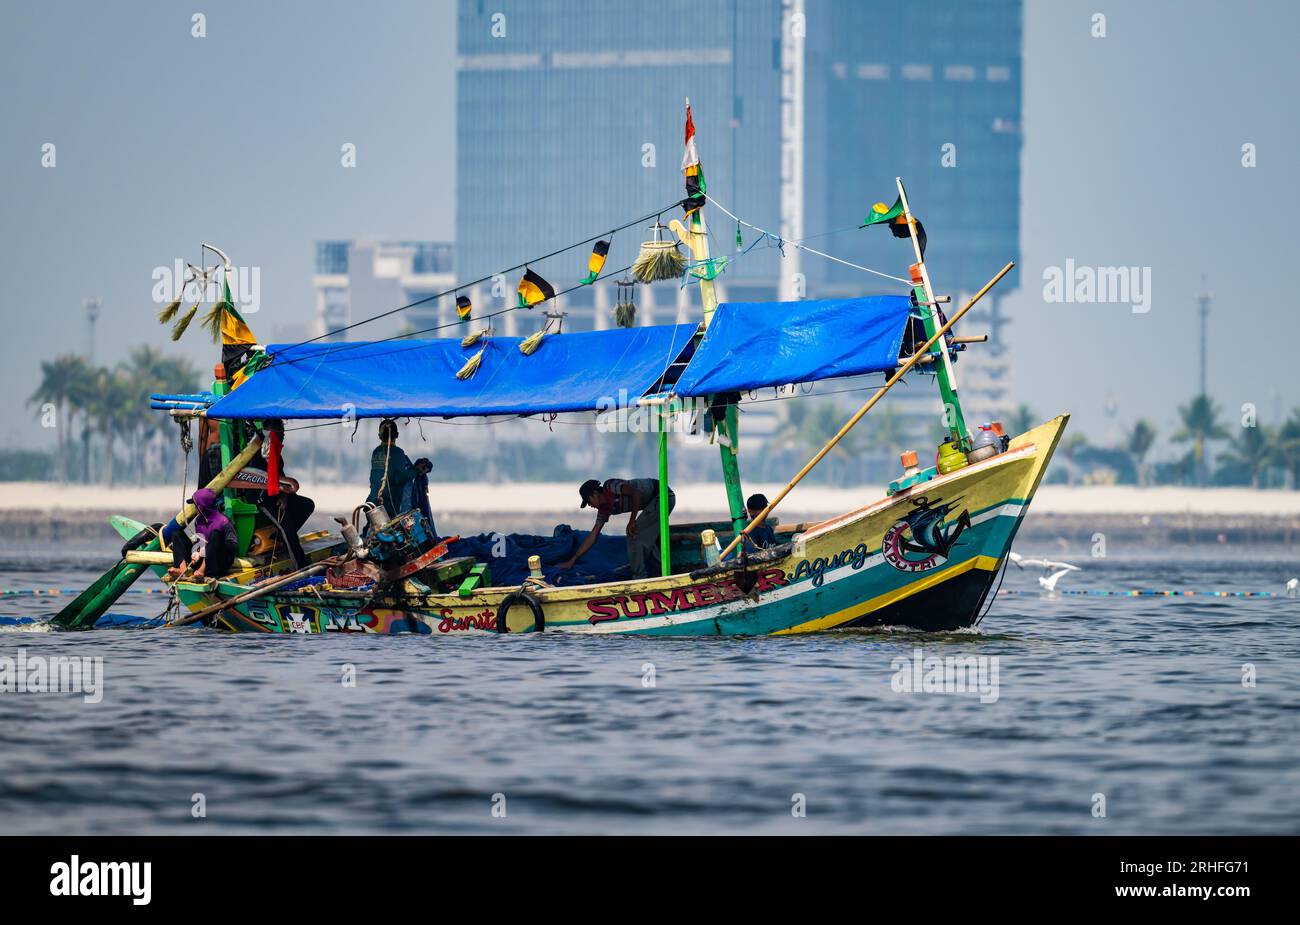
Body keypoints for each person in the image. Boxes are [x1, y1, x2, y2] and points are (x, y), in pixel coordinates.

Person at [561, 477, 675, 580]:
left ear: (595, 494)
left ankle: (640, 578)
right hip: (655, 501)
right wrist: (572, 561)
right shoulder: (604, 509)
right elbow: (593, 535)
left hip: (663, 496)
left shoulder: (610, 486)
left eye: (589, 501)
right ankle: (661, 572)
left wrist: (631, 521)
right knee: (646, 538)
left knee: (634, 534)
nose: (590, 505)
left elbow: (636, 494)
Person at [258, 419, 315, 569]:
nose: (283, 436)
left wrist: (284, 496)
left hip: (278, 494)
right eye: (279, 433)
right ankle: (301, 566)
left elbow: (281, 478)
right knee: (287, 526)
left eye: (283, 433)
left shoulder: (277, 455)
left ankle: (281, 539)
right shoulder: (258, 454)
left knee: (307, 504)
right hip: (262, 498)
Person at [166, 488, 238, 581]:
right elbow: (199, 542)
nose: (195, 508)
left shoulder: (224, 522)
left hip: (217, 564)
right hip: (202, 561)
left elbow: (233, 547)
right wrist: (197, 551)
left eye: (195, 505)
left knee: (215, 535)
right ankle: (182, 570)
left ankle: (203, 571)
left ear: (201, 507)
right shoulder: (198, 521)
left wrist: (210, 546)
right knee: (176, 534)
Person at [367, 418, 416, 520]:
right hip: (388, 504)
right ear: (397, 435)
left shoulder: (376, 451)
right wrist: (416, 471)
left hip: (372, 501)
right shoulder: (397, 452)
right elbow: (400, 477)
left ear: (379, 436)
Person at [405, 457, 437, 536]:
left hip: (416, 509)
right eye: (423, 468)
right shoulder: (410, 474)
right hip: (408, 510)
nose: (422, 471)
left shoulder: (422, 478)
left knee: (417, 527)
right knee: (410, 527)